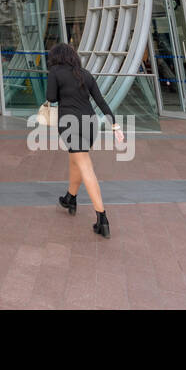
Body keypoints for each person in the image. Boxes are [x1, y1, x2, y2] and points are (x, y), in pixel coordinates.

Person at [45, 42, 122, 238]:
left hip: (70, 124)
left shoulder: (55, 72)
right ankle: (70, 197)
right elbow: (100, 101)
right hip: (90, 124)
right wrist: (115, 125)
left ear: (55, 57)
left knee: (85, 166)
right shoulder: (84, 73)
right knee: (76, 159)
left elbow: (51, 98)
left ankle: (102, 217)